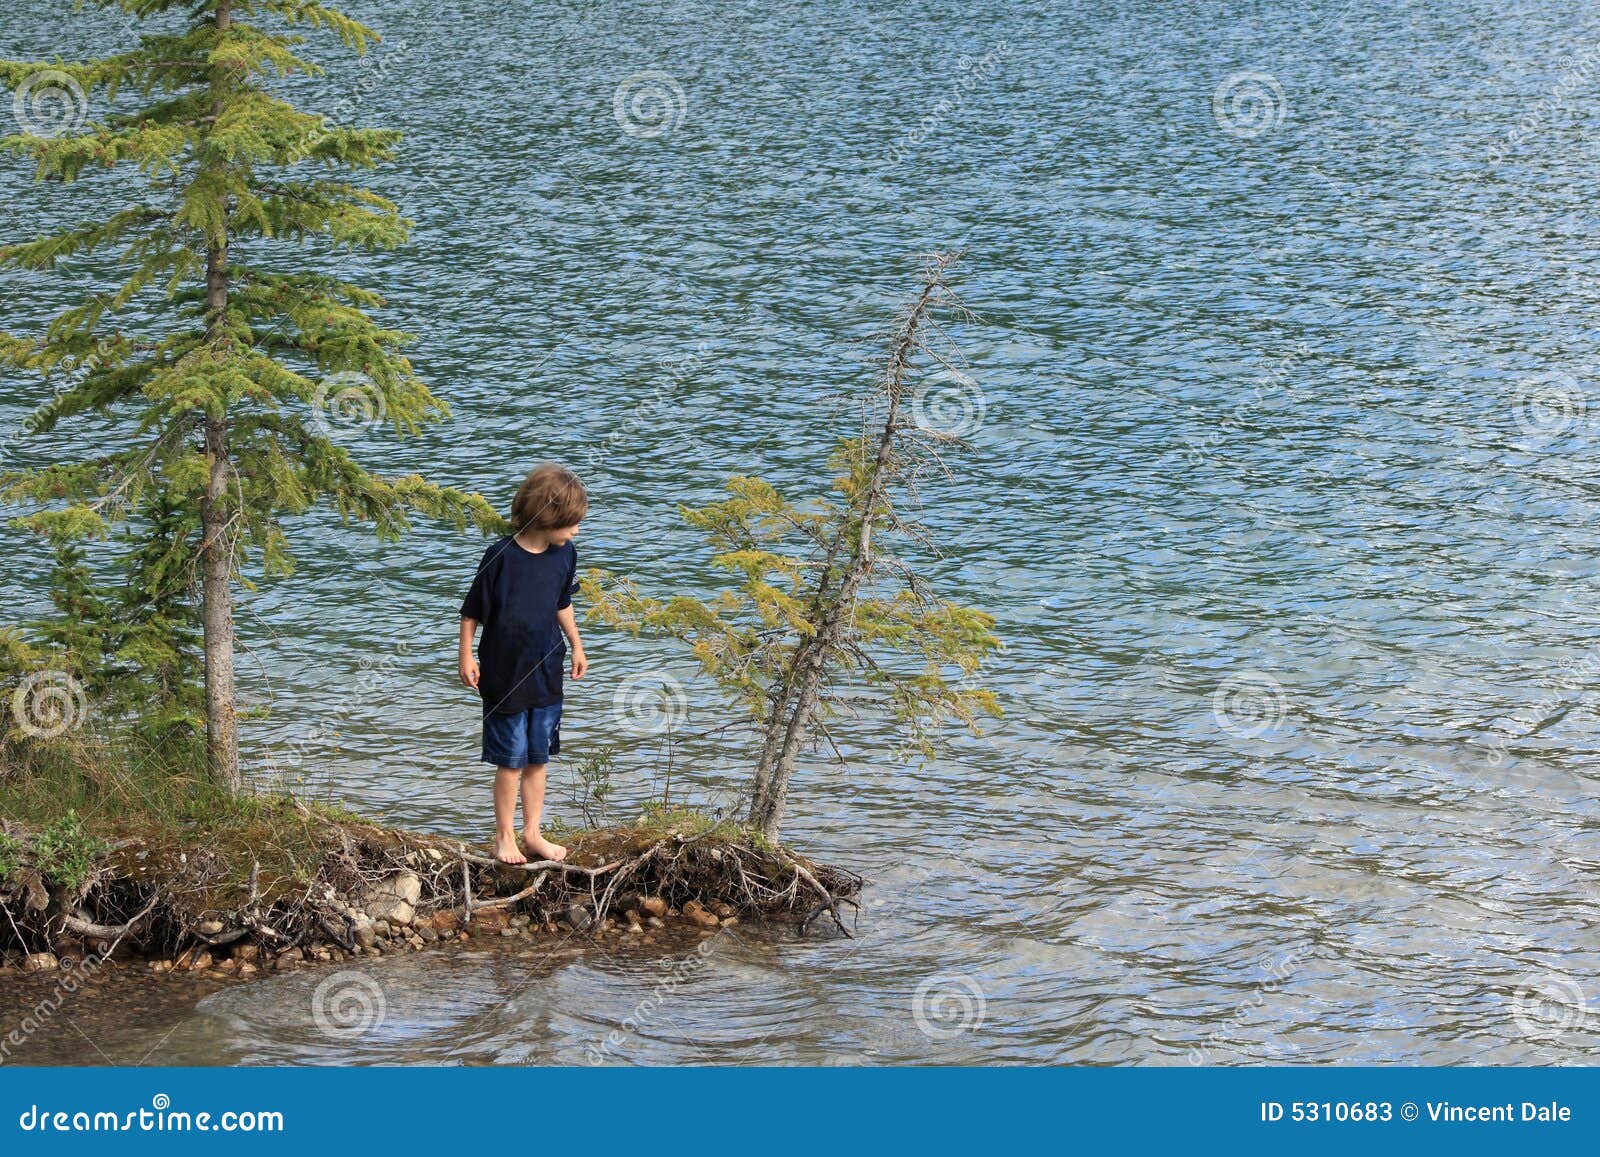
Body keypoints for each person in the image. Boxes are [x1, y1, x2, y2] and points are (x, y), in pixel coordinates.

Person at [458, 463, 589, 864]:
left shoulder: (564, 554)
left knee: (538, 758)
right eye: (571, 524)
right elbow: (472, 611)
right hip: (504, 674)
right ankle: (504, 837)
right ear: (547, 517)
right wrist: (465, 653)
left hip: (547, 670)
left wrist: (577, 644)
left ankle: (533, 833)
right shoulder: (500, 556)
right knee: (510, 761)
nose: (576, 531)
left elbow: (562, 603)